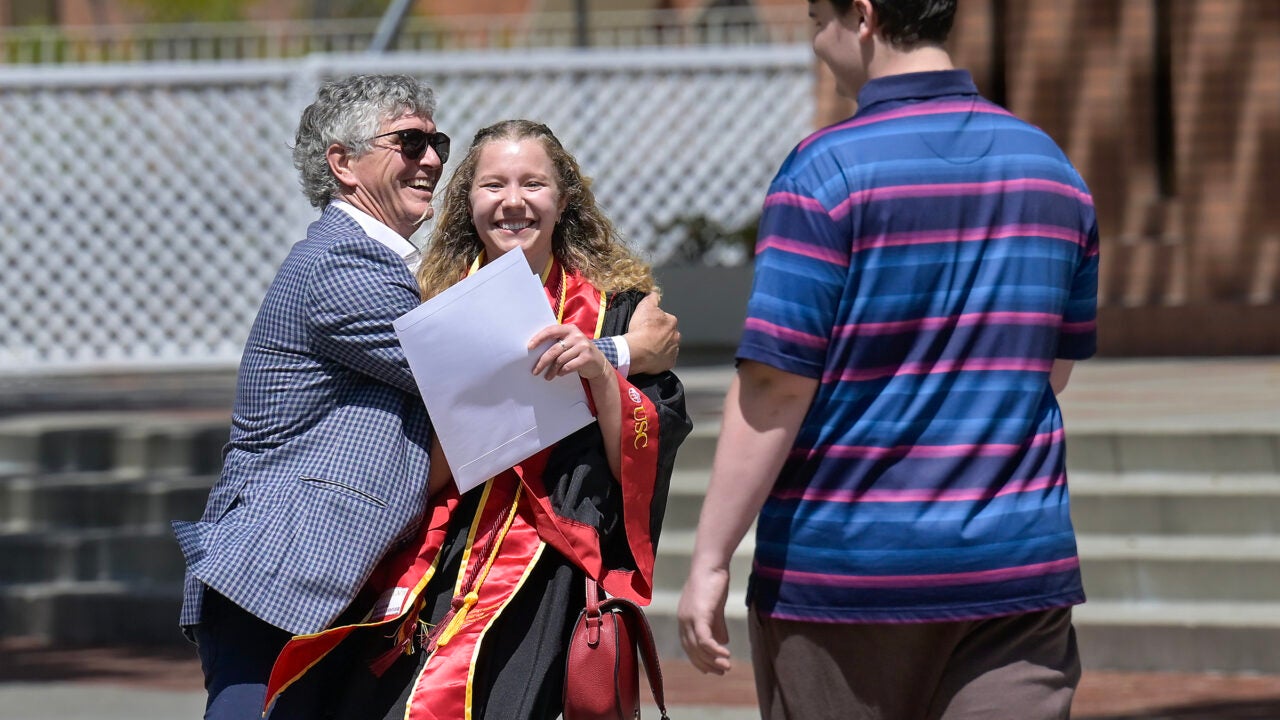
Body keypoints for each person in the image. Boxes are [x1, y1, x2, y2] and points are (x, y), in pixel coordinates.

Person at [172, 76, 679, 720]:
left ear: (565, 197)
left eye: (437, 144)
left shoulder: (428, 281)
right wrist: (624, 352)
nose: (432, 159)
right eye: (410, 143)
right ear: (343, 163)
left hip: (403, 577)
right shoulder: (344, 265)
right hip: (283, 573)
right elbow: (475, 372)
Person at [677, 1, 1100, 719]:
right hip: (1015, 565)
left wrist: (711, 558)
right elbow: (1050, 372)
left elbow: (777, 386)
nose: (817, 43)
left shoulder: (825, 171)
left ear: (864, 15)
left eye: (818, 19)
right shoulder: (1051, 170)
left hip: (847, 576)